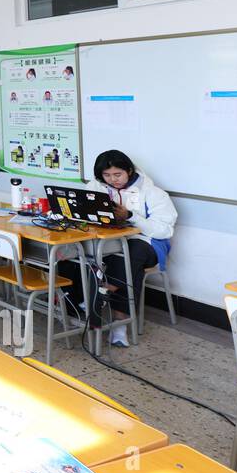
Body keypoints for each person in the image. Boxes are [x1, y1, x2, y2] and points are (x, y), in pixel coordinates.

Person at [60, 149, 176, 348]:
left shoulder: (153, 193)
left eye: (117, 174)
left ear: (129, 171)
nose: (112, 180)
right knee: (72, 250)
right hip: (109, 241)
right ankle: (80, 301)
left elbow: (164, 231)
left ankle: (112, 315)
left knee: (127, 257)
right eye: (106, 175)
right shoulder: (96, 186)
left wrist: (131, 216)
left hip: (146, 242)